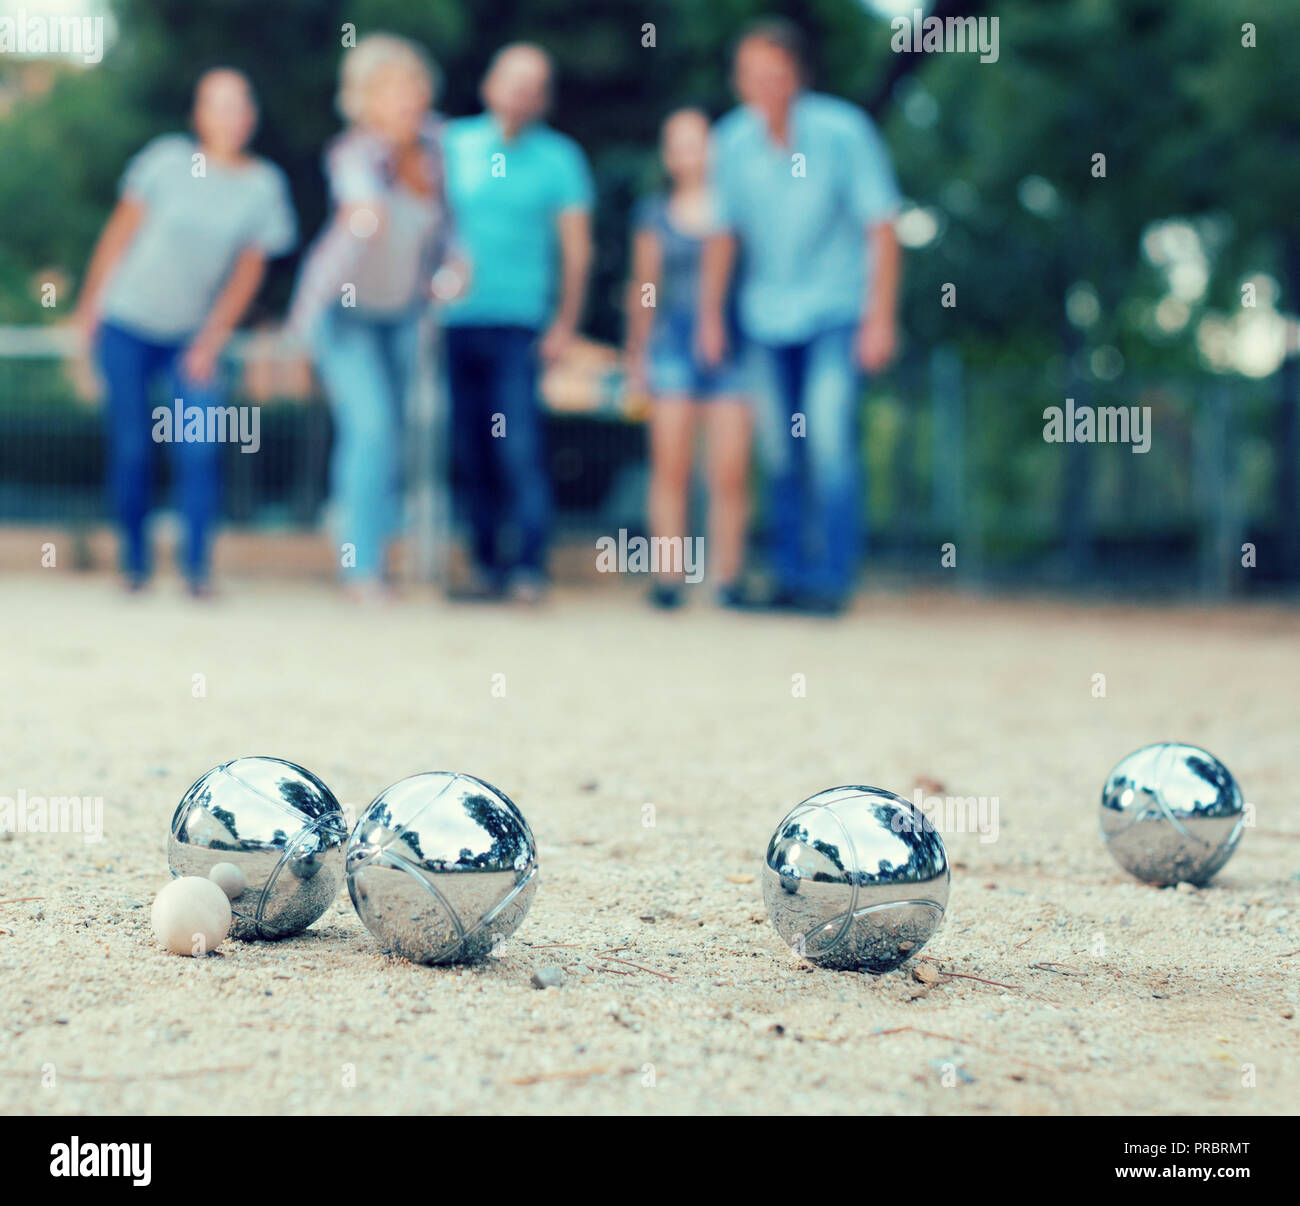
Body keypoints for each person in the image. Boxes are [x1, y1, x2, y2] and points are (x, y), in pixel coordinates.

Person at [698, 20, 902, 615]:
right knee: (781, 450)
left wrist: (880, 318)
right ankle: (789, 576)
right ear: (739, 82)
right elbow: (722, 236)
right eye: (753, 74)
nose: (765, 85)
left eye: (775, 73)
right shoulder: (731, 142)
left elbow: (882, 229)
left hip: (837, 310)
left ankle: (831, 579)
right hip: (765, 314)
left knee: (829, 438)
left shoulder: (844, 131)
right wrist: (712, 316)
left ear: (797, 75)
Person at [74, 68, 297, 595]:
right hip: (127, 324)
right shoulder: (165, 162)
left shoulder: (263, 186)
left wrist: (211, 340)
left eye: (238, 105)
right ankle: (135, 564)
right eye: (215, 105)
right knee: (131, 447)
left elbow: (249, 271)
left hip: (191, 339)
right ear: (198, 115)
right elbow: (118, 235)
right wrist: (89, 312)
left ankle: (197, 569)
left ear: (252, 117)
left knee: (198, 448)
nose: (227, 116)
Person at [287, 34, 460, 602]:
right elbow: (359, 213)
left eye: (412, 84)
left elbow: (454, 236)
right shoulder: (354, 154)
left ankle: (377, 550)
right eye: (390, 89)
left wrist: (457, 271)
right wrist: (299, 333)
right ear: (366, 101)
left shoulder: (442, 150)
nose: (407, 97)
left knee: (403, 435)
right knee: (370, 428)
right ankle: (360, 567)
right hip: (344, 312)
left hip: (405, 313)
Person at [440, 43, 594, 604]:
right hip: (456, 323)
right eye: (513, 81)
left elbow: (576, 251)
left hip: (521, 325)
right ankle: (485, 568)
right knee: (469, 448)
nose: (522, 94)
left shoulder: (560, 159)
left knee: (518, 447)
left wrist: (565, 323)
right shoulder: (452, 146)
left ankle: (528, 568)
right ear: (489, 85)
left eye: (534, 85)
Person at [624, 108, 750, 610]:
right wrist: (639, 351)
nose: (690, 154)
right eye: (678, 144)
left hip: (732, 350)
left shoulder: (737, 211)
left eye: (698, 142)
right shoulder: (654, 213)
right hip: (672, 348)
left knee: (730, 471)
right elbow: (647, 286)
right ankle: (669, 579)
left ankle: (727, 579)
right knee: (670, 466)